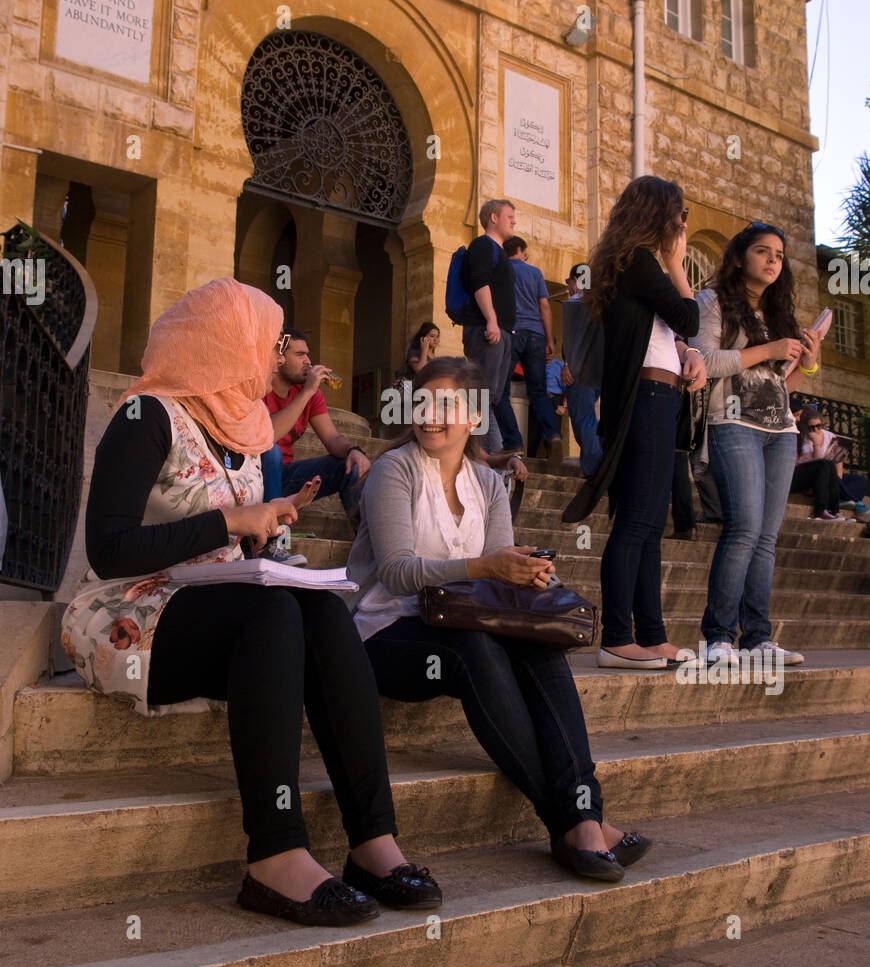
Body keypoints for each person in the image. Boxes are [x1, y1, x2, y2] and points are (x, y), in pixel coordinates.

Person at [61, 279, 440, 926]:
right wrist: (233, 523)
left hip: (220, 603)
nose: (276, 355)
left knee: (318, 610)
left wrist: (271, 517)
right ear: (226, 341)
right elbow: (110, 547)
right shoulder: (145, 414)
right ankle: (275, 856)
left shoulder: (248, 421)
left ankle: (374, 840)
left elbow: (240, 526)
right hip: (133, 614)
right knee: (271, 613)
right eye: (268, 342)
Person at [345, 355, 652, 883]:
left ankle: (582, 816)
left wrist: (523, 572)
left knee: (540, 646)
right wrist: (487, 564)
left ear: (473, 414)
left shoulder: (488, 484)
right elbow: (395, 573)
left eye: (446, 404)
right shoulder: (393, 471)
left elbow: (491, 585)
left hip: (460, 622)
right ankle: (574, 822)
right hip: (384, 632)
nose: (430, 414)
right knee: (476, 650)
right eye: (422, 401)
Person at [561, 177, 707, 669]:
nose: (681, 225)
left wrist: (687, 355)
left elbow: (673, 334)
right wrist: (676, 262)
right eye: (677, 215)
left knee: (648, 524)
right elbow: (689, 315)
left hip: (657, 395)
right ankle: (617, 638)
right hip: (645, 397)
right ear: (656, 215)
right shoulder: (641, 263)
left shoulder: (629, 264)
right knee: (637, 522)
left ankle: (652, 634)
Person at [695, 222, 822, 667]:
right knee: (744, 528)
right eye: (763, 252)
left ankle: (758, 638)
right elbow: (705, 361)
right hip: (732, 422)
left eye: (779, 255)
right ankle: (718, 637)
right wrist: (768, 350)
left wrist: (807, 362)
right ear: (739, 258)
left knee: (767, 538)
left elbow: (779, 378)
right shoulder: (711, 302)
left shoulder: (778, 312)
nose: (773, 260)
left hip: (781, 430)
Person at [261, 330, 371, 514]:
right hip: (257, 475)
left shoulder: (310, 393)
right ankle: (272, 533)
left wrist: (354, 451)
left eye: (307, 354)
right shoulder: (262, 387)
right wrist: (307, 393)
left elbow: (332, 438)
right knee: (272, 451)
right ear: (279, 357)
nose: (308, 361)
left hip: (285, 475)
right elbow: (268, 436)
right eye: (299, 355)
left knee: (348, 465)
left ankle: (366, 535)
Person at [492, 236, 563, 466]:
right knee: (539, 393)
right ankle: (553, 435)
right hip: (536, 336)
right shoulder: (535, 272)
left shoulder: (499, 271)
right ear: (521, 250)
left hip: (510, 334)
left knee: (499, 392)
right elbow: (544, 305)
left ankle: (513, 440)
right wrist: (549, 339)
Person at [461, 199, 517, 457]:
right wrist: (492, 320)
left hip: (501, 333)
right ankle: (476, 453)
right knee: (481, 395)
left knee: (490, 398)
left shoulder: (500, 251)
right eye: (509, 216)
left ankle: (488, 454)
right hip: (488, 332)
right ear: (493, 217)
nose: (514, 221)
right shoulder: (483, 245)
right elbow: (479, 282)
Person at [561, 263, 603, 478]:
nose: (568, 286)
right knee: (590, 420)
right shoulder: (600, 304)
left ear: (576, 280)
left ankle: (595, 469)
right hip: (599, 369)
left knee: (583, 419)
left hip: (580, 369)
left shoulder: (576, 303)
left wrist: (569, 365)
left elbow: (573, 339)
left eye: (569, 281)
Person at [792, 406, 860, 520]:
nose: (816, 430)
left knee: (858, 479)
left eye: (818, 426)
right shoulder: (801, 439)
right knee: (824, 464)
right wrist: (816, 444)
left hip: (825, 476)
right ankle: (822, 510)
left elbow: (837, 463)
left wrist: (836, 483)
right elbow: (818, 462)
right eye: (811, 427)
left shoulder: (827, 435)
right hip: (798, 476)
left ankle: (834, 510)